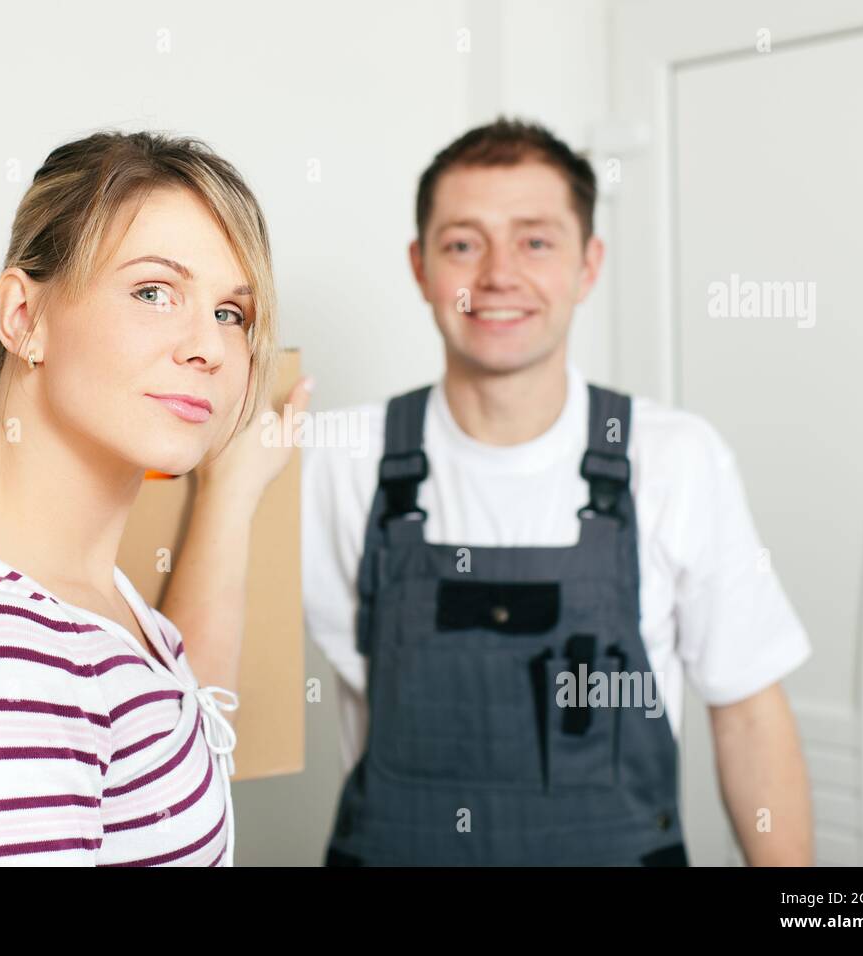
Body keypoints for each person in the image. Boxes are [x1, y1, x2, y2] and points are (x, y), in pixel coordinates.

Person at [299, 117, 814, 865]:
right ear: (420, 268)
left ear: (588, 265)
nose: (500, 274)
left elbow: (749, 713)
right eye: (463, 244)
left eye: (536, 241)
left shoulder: (674, 458)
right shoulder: (334, 460)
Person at [0, 129, 308, 866]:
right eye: (154, 291)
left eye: (231, 314)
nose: (212, 349)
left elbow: (174, 738)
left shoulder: (43, 578)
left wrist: (231, 495)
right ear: (24, 316)